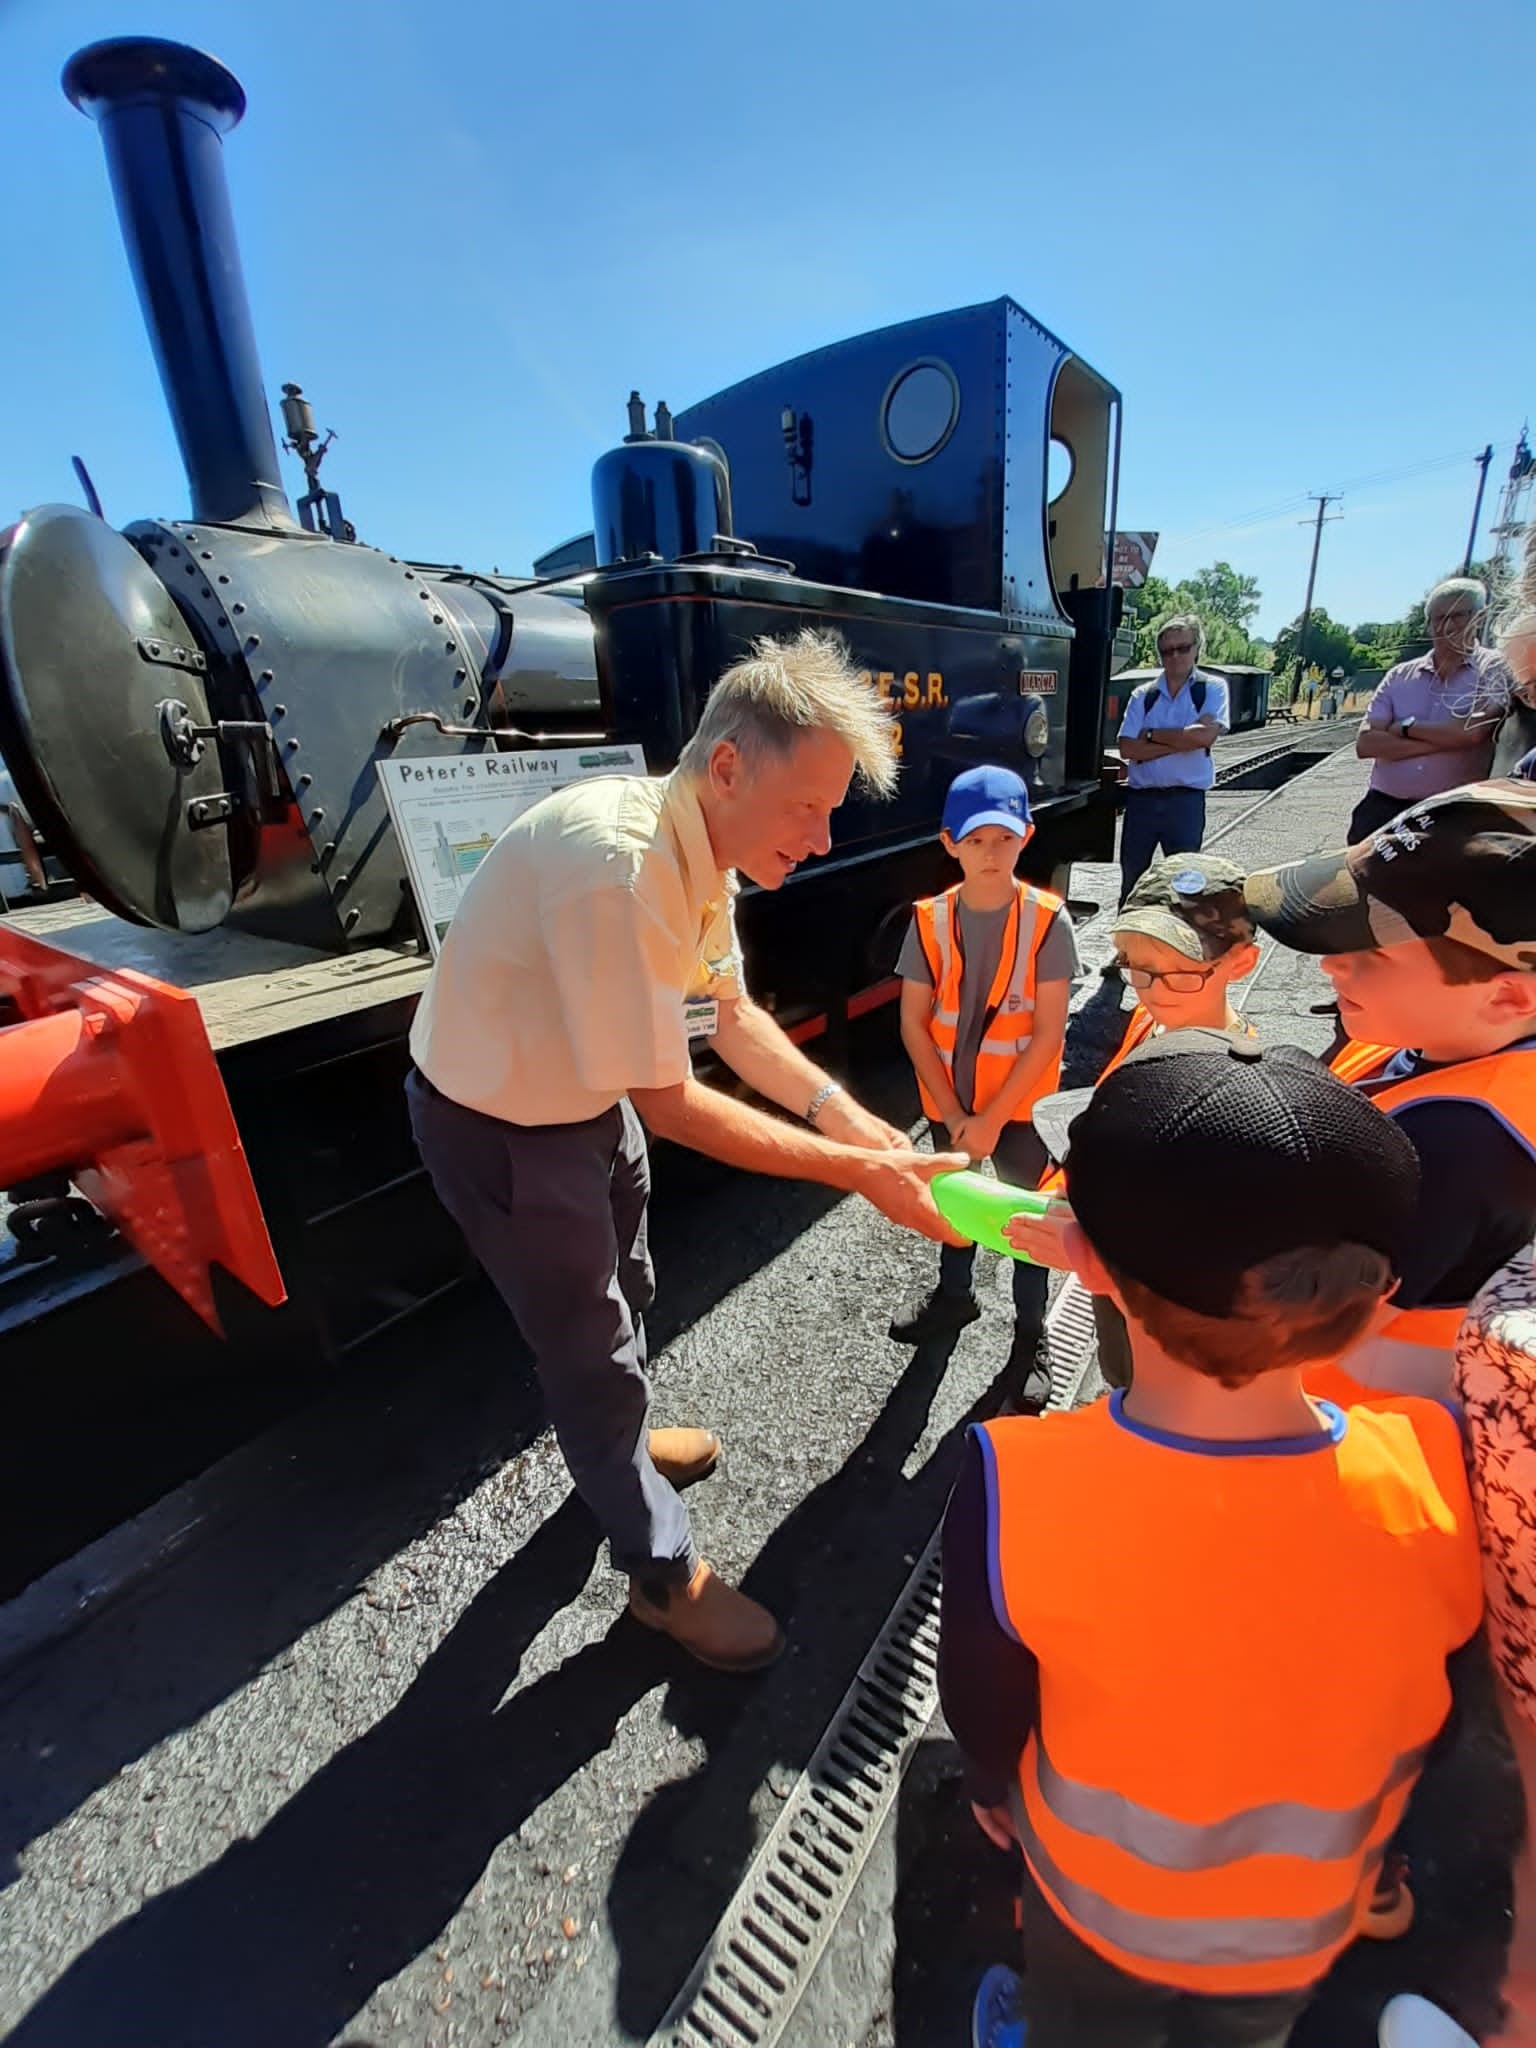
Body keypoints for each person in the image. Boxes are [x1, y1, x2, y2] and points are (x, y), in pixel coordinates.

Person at [406, 630, 964, 1674]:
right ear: (726, 767)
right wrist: (866, 1176)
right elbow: (672, 1099)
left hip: (583, 1096)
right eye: (810, 805)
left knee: (631, 1283)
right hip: (507, 1125)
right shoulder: (618, 867)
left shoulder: (699, 847)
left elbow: (733, 1014)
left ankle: (614, 1441)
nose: (825, 834)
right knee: (591, 1344)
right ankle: (662, 1576)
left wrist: (856, 1123)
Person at [940, 1032, 1483, 2048]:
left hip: (1097, 1902)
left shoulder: (1017, 1475)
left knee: (1078, 2022)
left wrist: (990, 1783)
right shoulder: (1430, 1456)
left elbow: (983, 1692)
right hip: (1303, 1909)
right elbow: (1442, 1696)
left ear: (1088, 1264)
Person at [1245, 779, 1536, 1405]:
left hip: (1338, 1448)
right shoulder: (1428, 1042)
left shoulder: (1457, 1146)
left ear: (1510, 995)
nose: (1332, 966)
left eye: (1371, 957)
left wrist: (1120, 1264)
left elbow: (1281, 1333)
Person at [1009, 852, 1261, 1389]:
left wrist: (1093, 1251)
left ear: (1241, 962)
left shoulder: (1230, 1093)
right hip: (1117, 1291)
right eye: (1135, 968)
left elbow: (1202, 1254)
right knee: (1118, 1368)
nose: (1152, 990)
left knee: (1144, 1393)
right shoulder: (1152, 1023)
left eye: (1179, 975)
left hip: (1166, 1328)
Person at [888, 765, 1076, 1393]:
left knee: (1029, 1224)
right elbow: (914, 1025)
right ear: (950, 843)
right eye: (975, 841)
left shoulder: (1049, 920)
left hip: (1019, 1111)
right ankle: (954, 1298)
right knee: (958, 1212)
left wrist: (989, 1121)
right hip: (951, 1106)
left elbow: (1048, 1033)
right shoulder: (929, 918)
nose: (990, 854)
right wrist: (952, 1114)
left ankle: (1032, 1334)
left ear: (1027, 835)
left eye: (1003, 839)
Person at [1350, 578, 1512, 844]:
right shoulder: (1399, 676)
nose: (1447, 626)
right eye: (1438, 618)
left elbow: (1473, 734)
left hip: (1453, 815)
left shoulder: (1495, 669)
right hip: (1382, 809)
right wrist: (1450, 740)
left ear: (1480, 617)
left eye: (1458, 616)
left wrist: (1405, 728)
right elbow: (1366, 744)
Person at [1114, 614, 1230, 902]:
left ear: (1196, 649)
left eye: (1183, 648)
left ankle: (1180, 943)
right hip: (1142, 803)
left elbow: (1204, 738)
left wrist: (1151, 734)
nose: (1175, 656)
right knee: (1133, 881)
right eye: (1167, 651)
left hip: (1185, 802)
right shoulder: (1143, 695)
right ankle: (1129, 942)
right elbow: (1128, 748)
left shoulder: (1212, 689)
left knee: (1185, 884)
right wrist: (1182, 741)